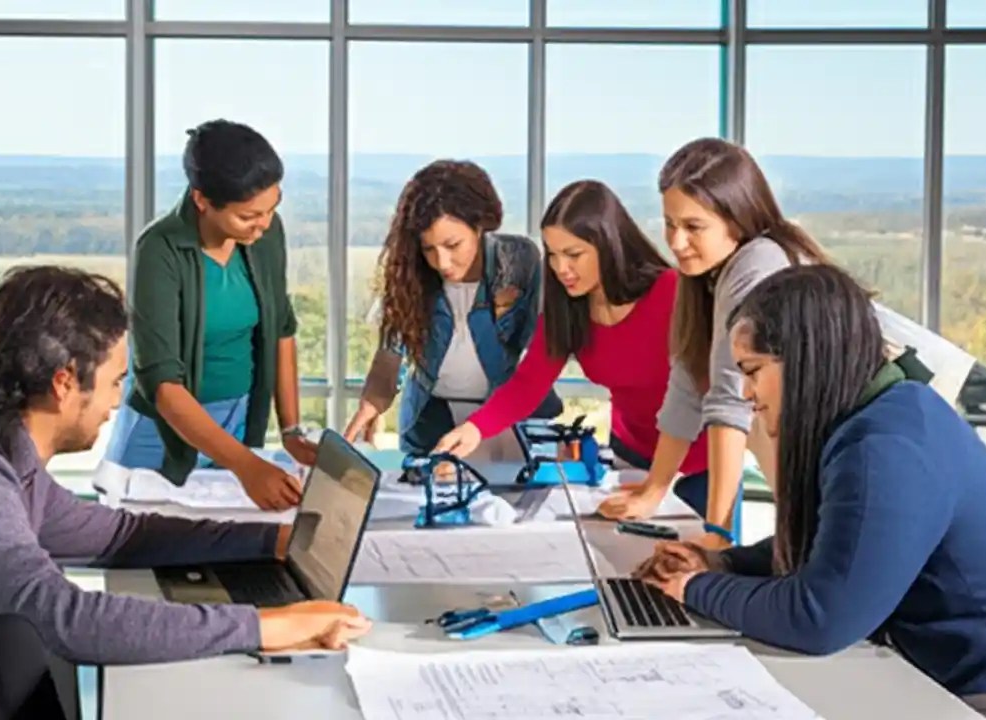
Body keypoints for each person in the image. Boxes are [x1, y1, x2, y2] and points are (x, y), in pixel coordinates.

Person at [0, 267, 371, 719]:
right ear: (66, 382)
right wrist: (266, 626)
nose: (120, 399)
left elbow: (119, 534)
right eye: (116, 380)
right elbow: (66, 619)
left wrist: (266, 542)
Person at [633, 264, 986, 718]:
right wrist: (724, 563)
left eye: (753, 370)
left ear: (803, 361)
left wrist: (694, 588)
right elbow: (841, 549)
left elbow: (820, 619)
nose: (746, 392)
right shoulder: (882, 415)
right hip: (973, 684)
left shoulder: (886, 448)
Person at [597, 138, 832, 548]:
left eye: (693, 227)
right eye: (670, 223)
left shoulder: (758, 264)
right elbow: (689, 377)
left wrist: (718, 533)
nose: (675, 242)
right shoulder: (710, 275)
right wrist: (654, 488)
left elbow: (729, 400)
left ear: (737, 219)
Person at [434, 180, 709, 503]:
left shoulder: (672, 294)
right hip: (629, 455)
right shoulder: (566, 305)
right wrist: (474, 430)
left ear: (608, 245)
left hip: (696, 464)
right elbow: (529, 382)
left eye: (573, 254)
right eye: (552, 254)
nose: (561, 268)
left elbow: (705, 389)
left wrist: (660, 485)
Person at [105, 119, 316, 511]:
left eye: (272, 208)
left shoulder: (266, 234)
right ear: (202, 200)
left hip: (237, 420)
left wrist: (290, 429)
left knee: (222, 543)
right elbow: (162, 384)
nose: (264, 224)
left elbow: (281, 330)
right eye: (248, 216)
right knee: (144, 542)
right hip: (163, 428)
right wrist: (247, 467)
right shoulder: (159, 249)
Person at [345, 159, 560, 453]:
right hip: (430, 423)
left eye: (453, 245)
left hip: (503, 418)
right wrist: (371, 406)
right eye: (429, 249)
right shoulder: (410, 275)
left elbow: (542, 348)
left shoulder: (519, 260)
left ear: (480, 227)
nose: (441, 263)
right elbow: (389, 357)